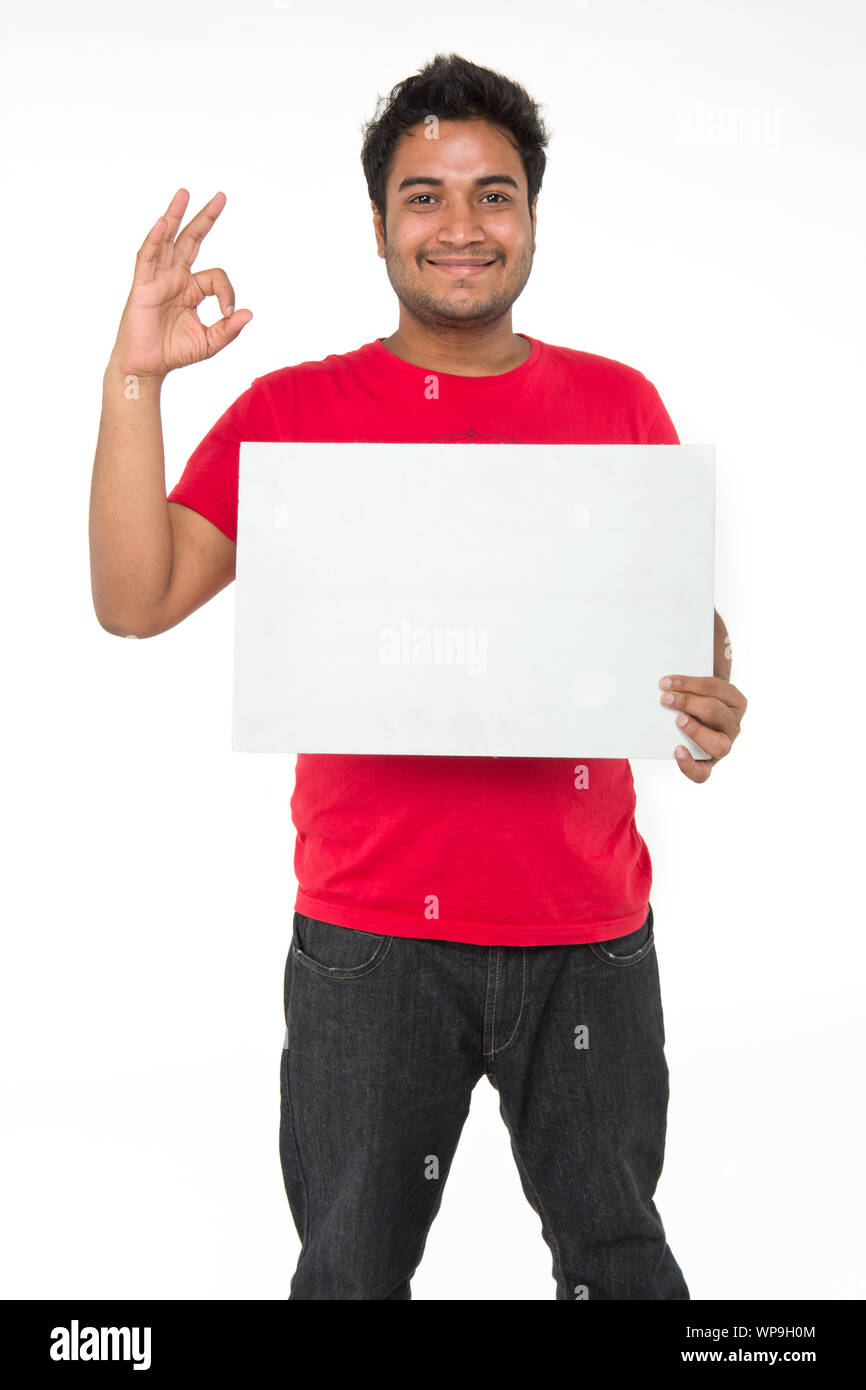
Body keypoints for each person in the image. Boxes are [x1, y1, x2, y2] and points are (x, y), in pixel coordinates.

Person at [89, 53, 748, 1300]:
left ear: (533, 218)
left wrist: (708, 696)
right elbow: (136, 598)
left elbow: (667, 638)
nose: (460, 227)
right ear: (380, 224)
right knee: (348, 1276)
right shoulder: (297, 411)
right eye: (424, 197)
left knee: (620, 1263)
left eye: (492, 195)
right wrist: (137, 376)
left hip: (586, 932)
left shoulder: (616, 404)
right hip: (370, 940)